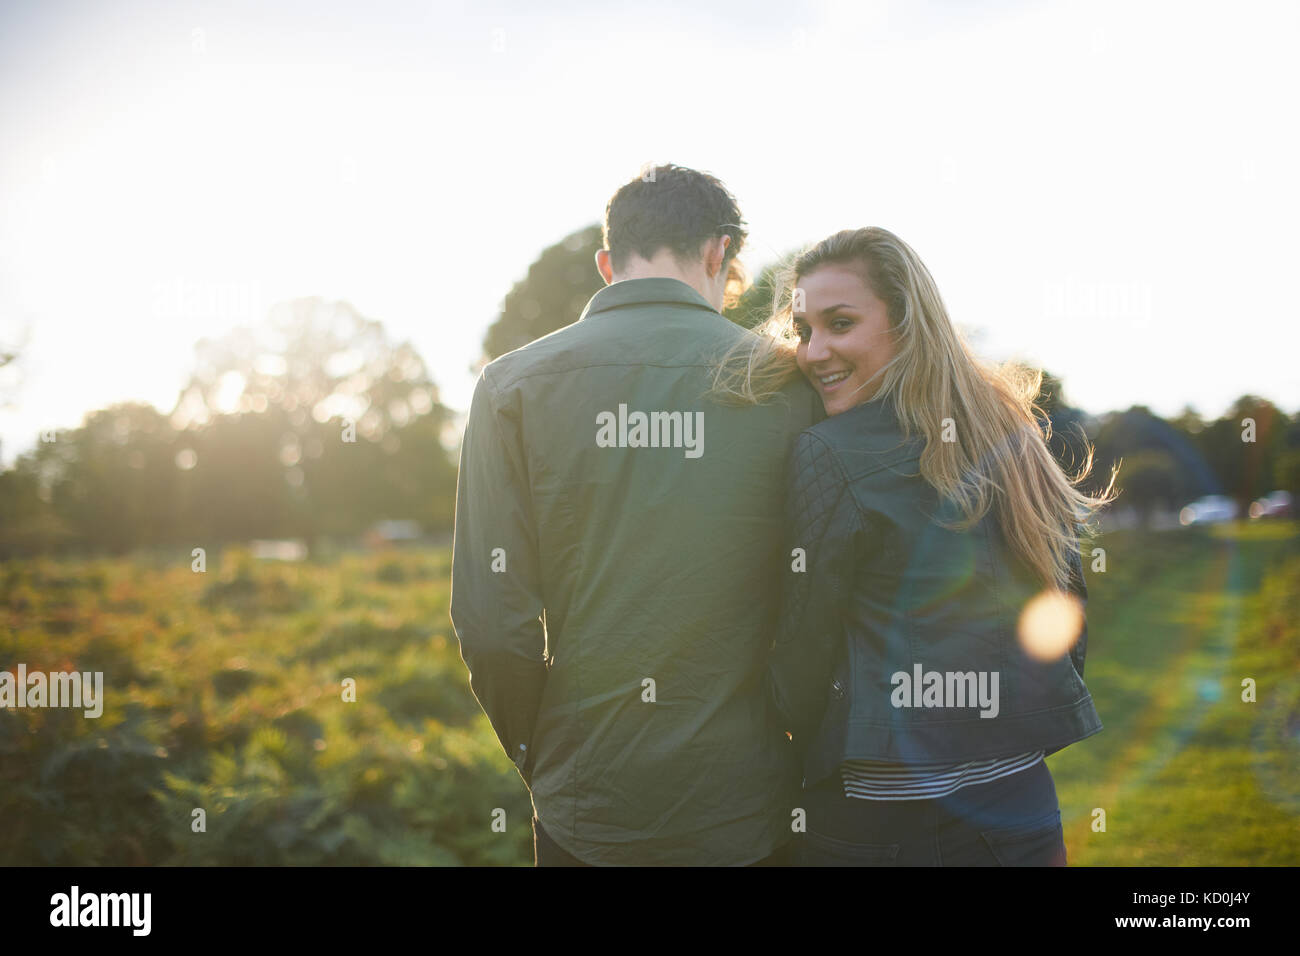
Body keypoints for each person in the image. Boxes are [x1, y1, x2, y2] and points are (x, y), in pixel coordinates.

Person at [448, 164, 821, 865]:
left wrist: (546, 760)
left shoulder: (510, 386)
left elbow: (494, 626)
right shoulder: (789, 382)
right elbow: (825, 602)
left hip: (588, 808)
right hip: (750, 806)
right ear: (719, 253)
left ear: (606, 263)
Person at [711, 226, 1116, 865]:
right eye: (804, 331)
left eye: (840, 324)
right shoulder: (1008, 427)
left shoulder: (827, 452)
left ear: (906, 324)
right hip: (1019, 798)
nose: (814, 352)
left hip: (880, 816)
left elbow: (804, 647)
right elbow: (1065, 609)